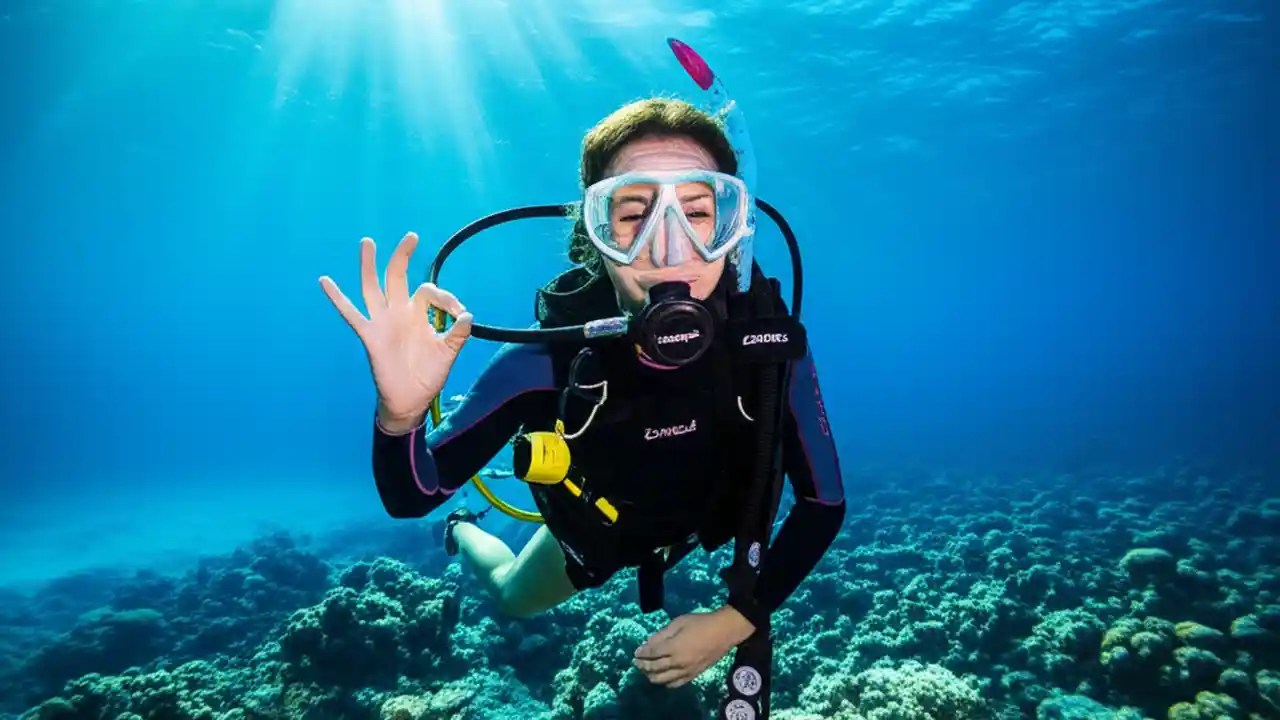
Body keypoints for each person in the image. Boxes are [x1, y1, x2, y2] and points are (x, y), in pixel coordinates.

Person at [320, 77, 844, 710]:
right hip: (596, 532)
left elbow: (823, 504)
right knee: (512, 596)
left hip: (704, 521)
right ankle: (466, 532)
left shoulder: (768, 345)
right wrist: (399, 419)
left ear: (734, 229)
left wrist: (738, 617)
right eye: (632, 214)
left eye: (700, 213)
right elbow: (412, 494)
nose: (671, 244)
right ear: (597, 236)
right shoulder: (545, 364)